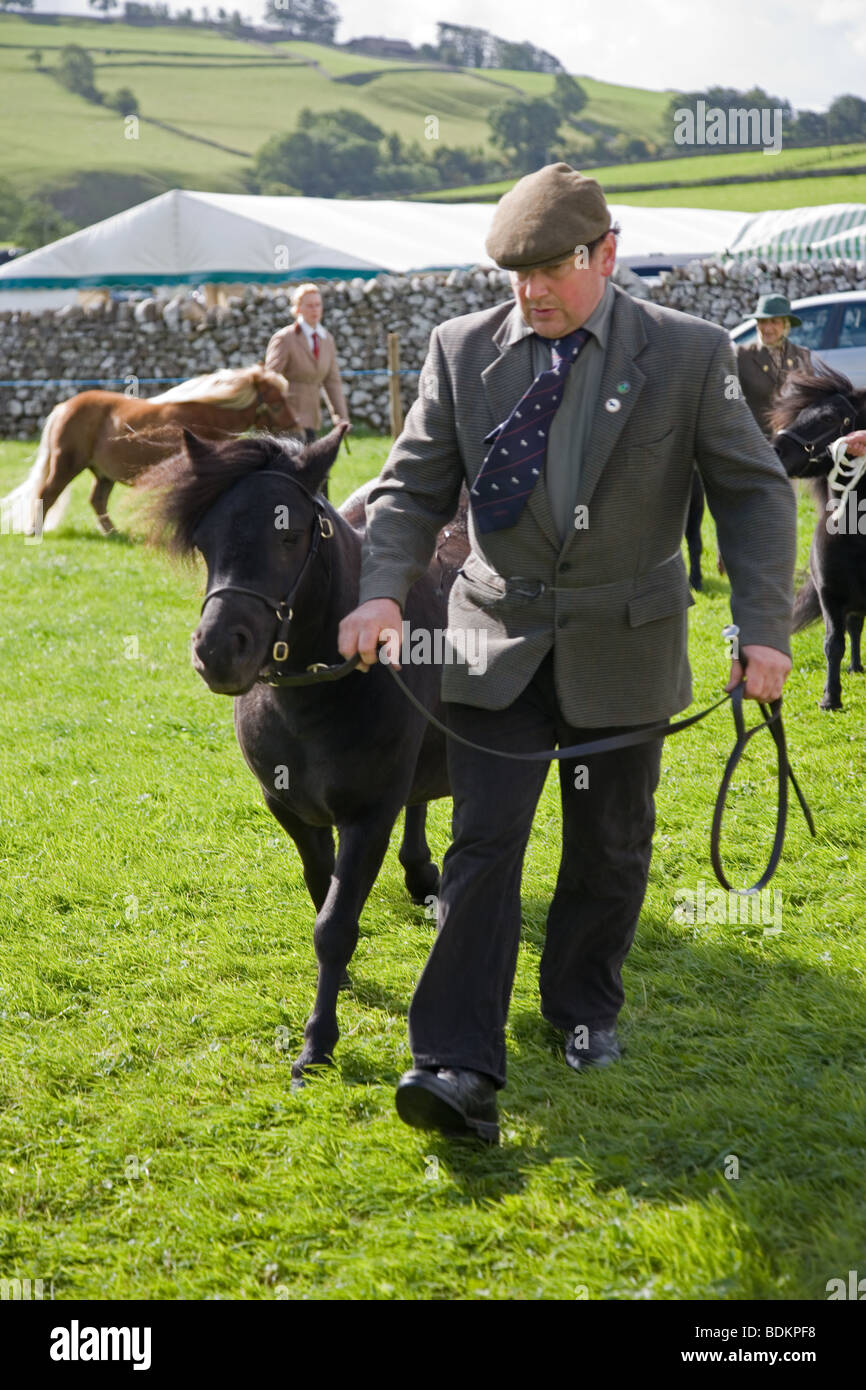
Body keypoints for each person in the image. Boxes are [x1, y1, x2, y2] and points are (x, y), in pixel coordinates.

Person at [338, 164, 797, 1145]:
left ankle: (582, 1009)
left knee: (611, 845)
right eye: (516, 275)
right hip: (492, 639)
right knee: (480, 846)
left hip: (626, 647)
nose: (533, 292)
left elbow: (753, 493)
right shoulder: (460, 350)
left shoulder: (686, 352)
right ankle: (455, 1063)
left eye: (553, 269)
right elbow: (412, 486)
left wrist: (759, 625)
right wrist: (380, 589)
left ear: (606, 255)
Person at [265, 283, 351, 495]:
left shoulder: (326, 339)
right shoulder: (285, 338)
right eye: (309, 305)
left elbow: (332, 381)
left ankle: (325, 522)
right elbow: (269, 379)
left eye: (318, 305)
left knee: (319, 474)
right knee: (292, 474)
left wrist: (340, 416)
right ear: (298, 308)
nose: (315, 310)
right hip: (287, 419)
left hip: (312, 418)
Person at [736, 294, 813, 439]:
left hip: (791, 441)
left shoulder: (802, 356)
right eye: (762, 322)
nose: (767, 328)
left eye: (774, 322)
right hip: (753, 438)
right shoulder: (740, 355)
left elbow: (810, 401)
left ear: (786, 325)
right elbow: (729, 396)